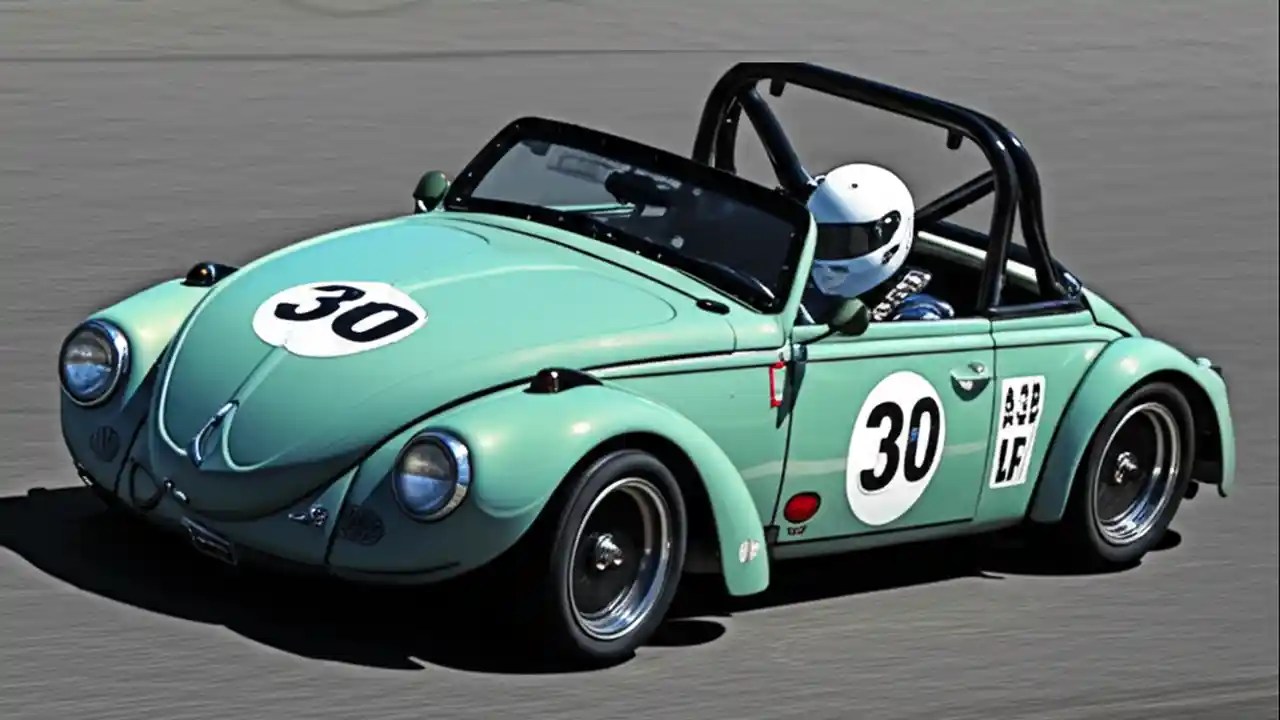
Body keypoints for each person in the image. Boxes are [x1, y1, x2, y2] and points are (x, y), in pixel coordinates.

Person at [799, 163, 954, 324]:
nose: (830, 251)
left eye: (846, 242)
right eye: (821, 238)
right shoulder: (797, 277)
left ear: (889, 232)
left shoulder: (919, 313)